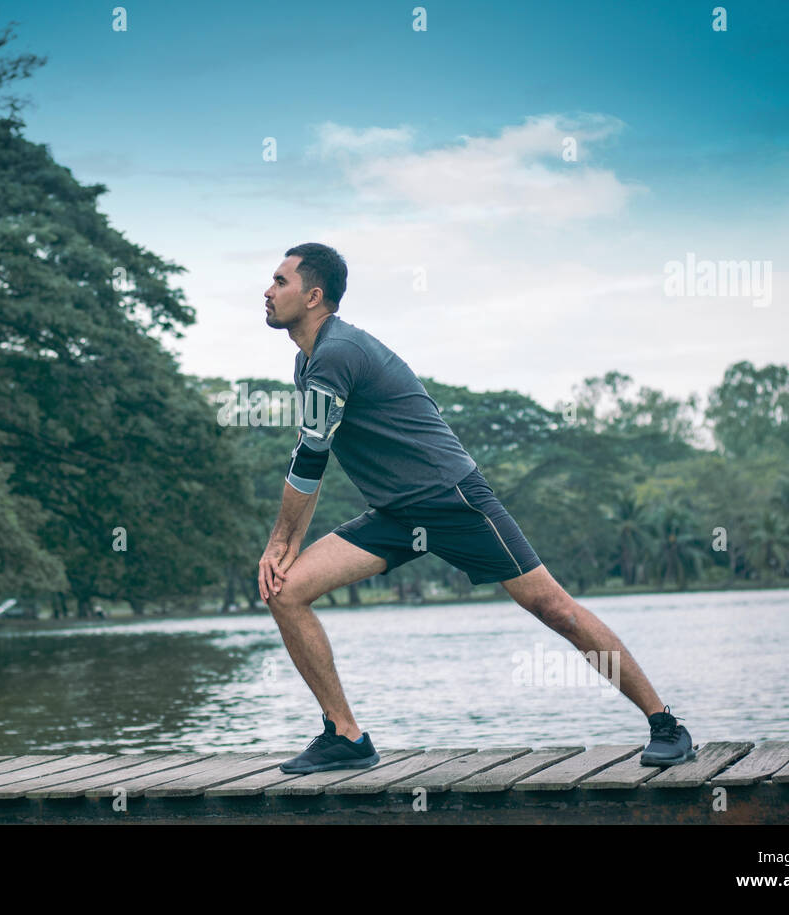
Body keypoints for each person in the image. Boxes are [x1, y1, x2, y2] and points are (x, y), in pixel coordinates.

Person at [259, 243, 694, 775]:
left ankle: (666, 724)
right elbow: (312, 459)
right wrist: (286, 548)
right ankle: (346, 736)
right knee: (286, 590)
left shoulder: (337, 352)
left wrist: (281, 543)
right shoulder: (306, 363)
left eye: (280, 281)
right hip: (397, 514)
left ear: (314, 295)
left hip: (452, 498)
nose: (268, 290)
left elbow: (310, 458)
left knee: (554, 608)